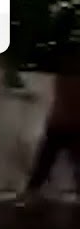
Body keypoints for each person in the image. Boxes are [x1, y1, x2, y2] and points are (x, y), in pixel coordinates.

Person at [22, 52, 80, 201]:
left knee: (45, 162)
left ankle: (31, 192)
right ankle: (31, 191)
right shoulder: (68, 81)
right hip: (71, 125)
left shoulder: (61, 80)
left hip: (58, 124)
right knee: (72, 162)